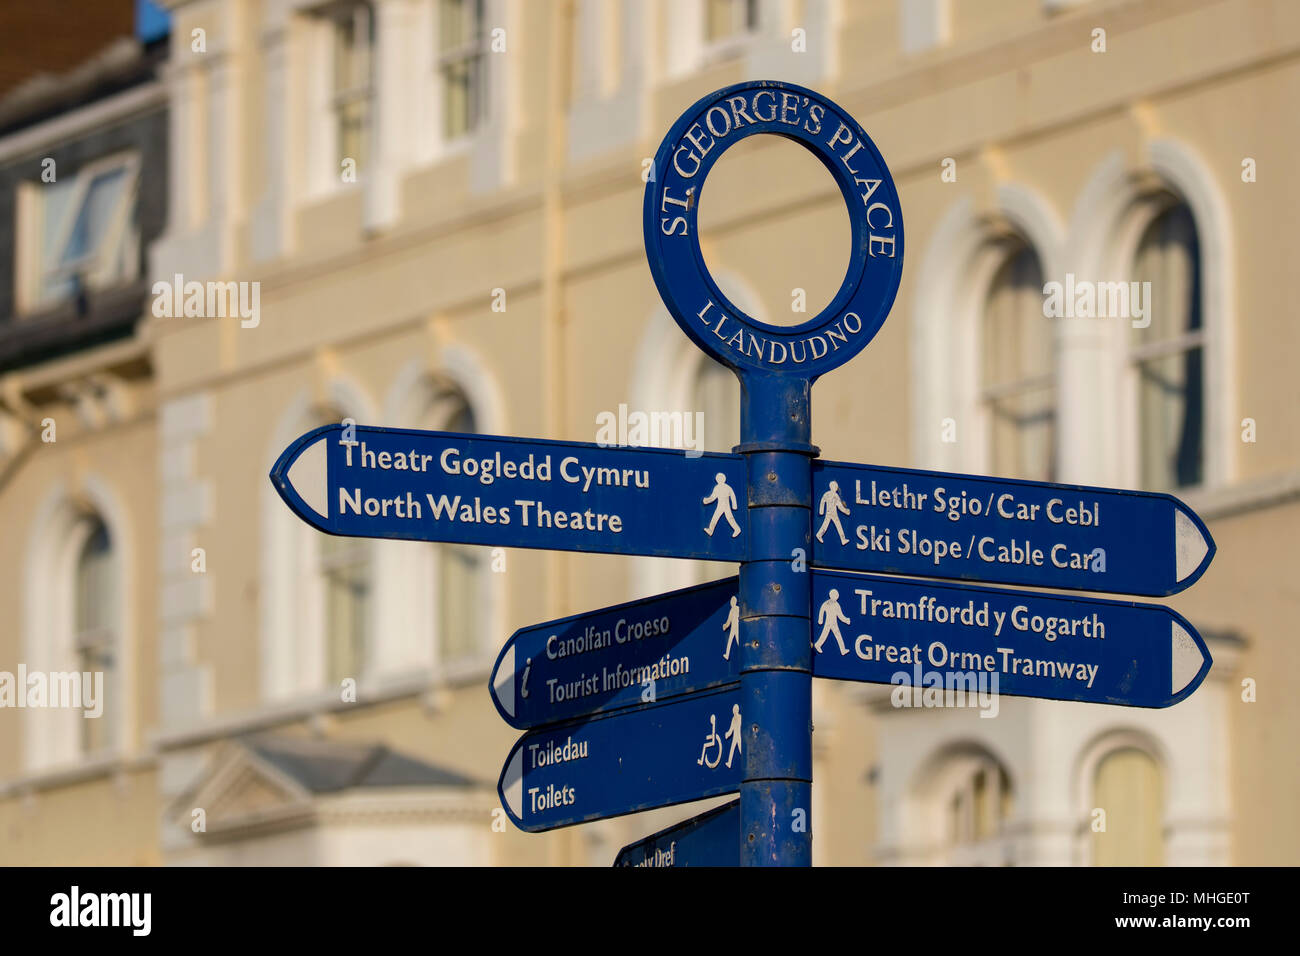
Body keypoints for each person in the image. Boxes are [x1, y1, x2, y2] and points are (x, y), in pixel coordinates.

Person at [703, 473, 742, 538]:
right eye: (718, 479)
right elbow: (713, 497)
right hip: (721, 505)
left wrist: (734, 506)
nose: (719, 480)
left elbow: (732, 496)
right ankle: (710, 530)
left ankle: (737, 529)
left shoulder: (726, 487)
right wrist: (707, 500)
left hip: (725, 505)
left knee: (729, 518)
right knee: (717, 517)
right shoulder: (718, 487)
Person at [815, 589, 851, 655]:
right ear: (831, 595)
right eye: (834, 595)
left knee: (837, 635)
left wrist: (846, 620)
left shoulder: (837, 605)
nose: (835, 597)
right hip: (828, 622)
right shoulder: (826, 603)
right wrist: (820, 620)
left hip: (834, 623)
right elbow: (821, 611)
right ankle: (817, 645)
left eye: (836, 596)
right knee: (825, 635)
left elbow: (840, 615)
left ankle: (843, 650)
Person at [816, 480, 851, 545]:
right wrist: (846, 511)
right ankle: (843, 539)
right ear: (832, 487)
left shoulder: (828, 494)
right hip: (832, 513)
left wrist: (822, 511)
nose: (836, 488)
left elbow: (823, 502)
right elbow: (839, 506)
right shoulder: (834, 495)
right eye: (836, 487)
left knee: (828, 524)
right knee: (836, 525)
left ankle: (819, 534)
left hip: (831, 513)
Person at [723, 596, 740, 660]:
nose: (731, 603)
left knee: (732, 640)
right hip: (735, 627)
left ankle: (727, 655)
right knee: (733, 640)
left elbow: (728, 621)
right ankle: (727, 655)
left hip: (734, 627)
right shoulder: (737, 608)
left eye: (732, 601)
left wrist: (725, 626)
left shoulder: (733, 610)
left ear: (734, 602)